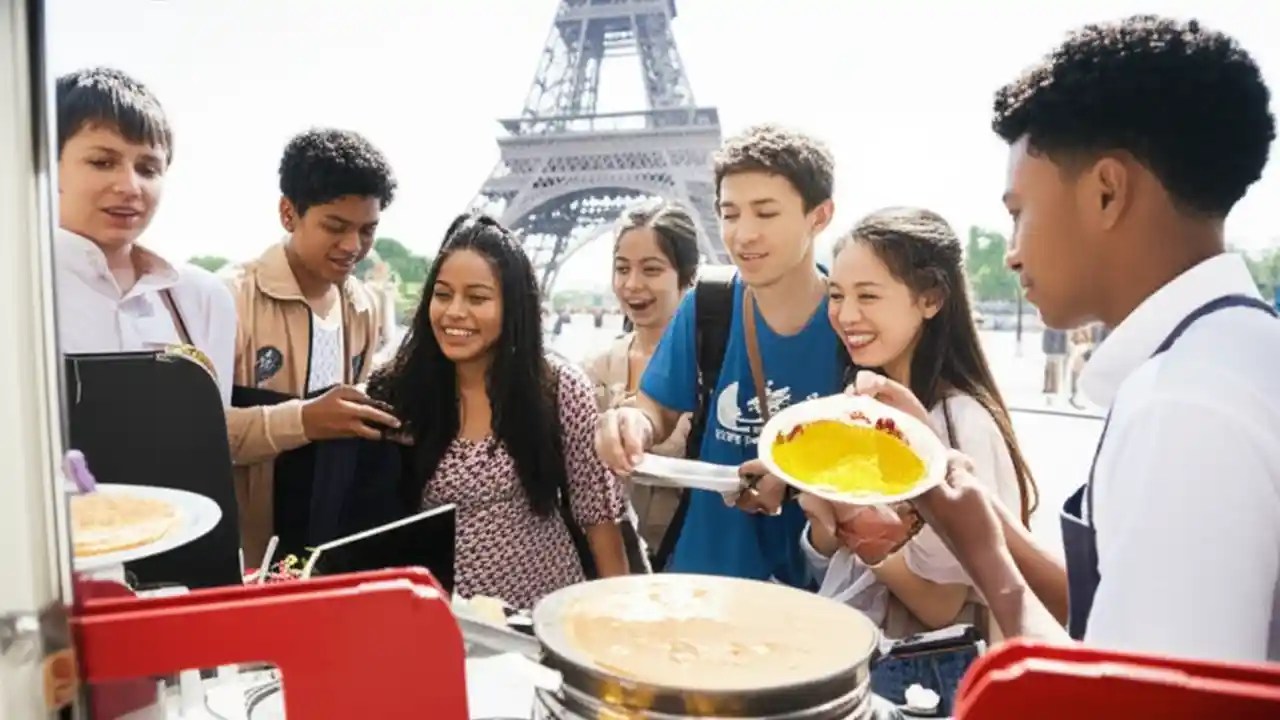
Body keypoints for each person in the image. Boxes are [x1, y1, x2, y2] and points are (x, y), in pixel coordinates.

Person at [859, 15, 1280, 664]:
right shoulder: (1232, 356)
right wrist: (972, 509)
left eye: (1018, 213)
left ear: (1107, 192)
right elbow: (1111, 610)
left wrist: (983, 557)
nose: (1015, 252)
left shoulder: (1185, 406)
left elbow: (1136, 704)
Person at [799, 208, 1038, 713]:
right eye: (836, 295)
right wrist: (820, 510)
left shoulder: (959, 423)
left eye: (868, 296)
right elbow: (833, 565)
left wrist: (850, 521)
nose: (845, 315)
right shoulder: (866, 408)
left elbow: (940, 604)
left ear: (930, 299)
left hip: (913, 688)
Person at [594, 124, 844, 587]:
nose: (743, 234)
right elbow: (658, 409)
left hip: (815, 591)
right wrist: (631, 423)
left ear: (820, 216)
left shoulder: (852, 324)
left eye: (766, 213)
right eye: (729, 214)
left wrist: (792, 476)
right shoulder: (709, 302)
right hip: (701, 577)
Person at [368, 213, 628, 609]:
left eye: (477, 298)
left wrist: (620, 615)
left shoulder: (559, 389)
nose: (454, 311)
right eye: (442, 294)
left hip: (540, 615)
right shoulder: (397, 392)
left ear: (514, 307)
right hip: (436, 619)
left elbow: (597, 516)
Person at [225, 128, 399, 561]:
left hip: (328, 544)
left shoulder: (365, 305)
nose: (353, 246)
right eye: (335, 227)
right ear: (288, 213)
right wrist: (304, 420)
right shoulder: (230, 297)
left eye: (367, 230)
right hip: (248, 551)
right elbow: (198, 435)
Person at [53, 67, 235, 403]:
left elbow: (210, 436)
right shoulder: (18, 292)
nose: (129, 187)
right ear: (46, 167)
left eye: (148, 169)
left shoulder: (202, 297)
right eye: (102, 162)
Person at [583, 199, 701, 571]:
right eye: (622, 269)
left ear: (688, 275)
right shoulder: (595, 370)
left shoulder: (713, 373)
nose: (633, 285)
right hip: (616, 567)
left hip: (695, 566)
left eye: (651, 269)